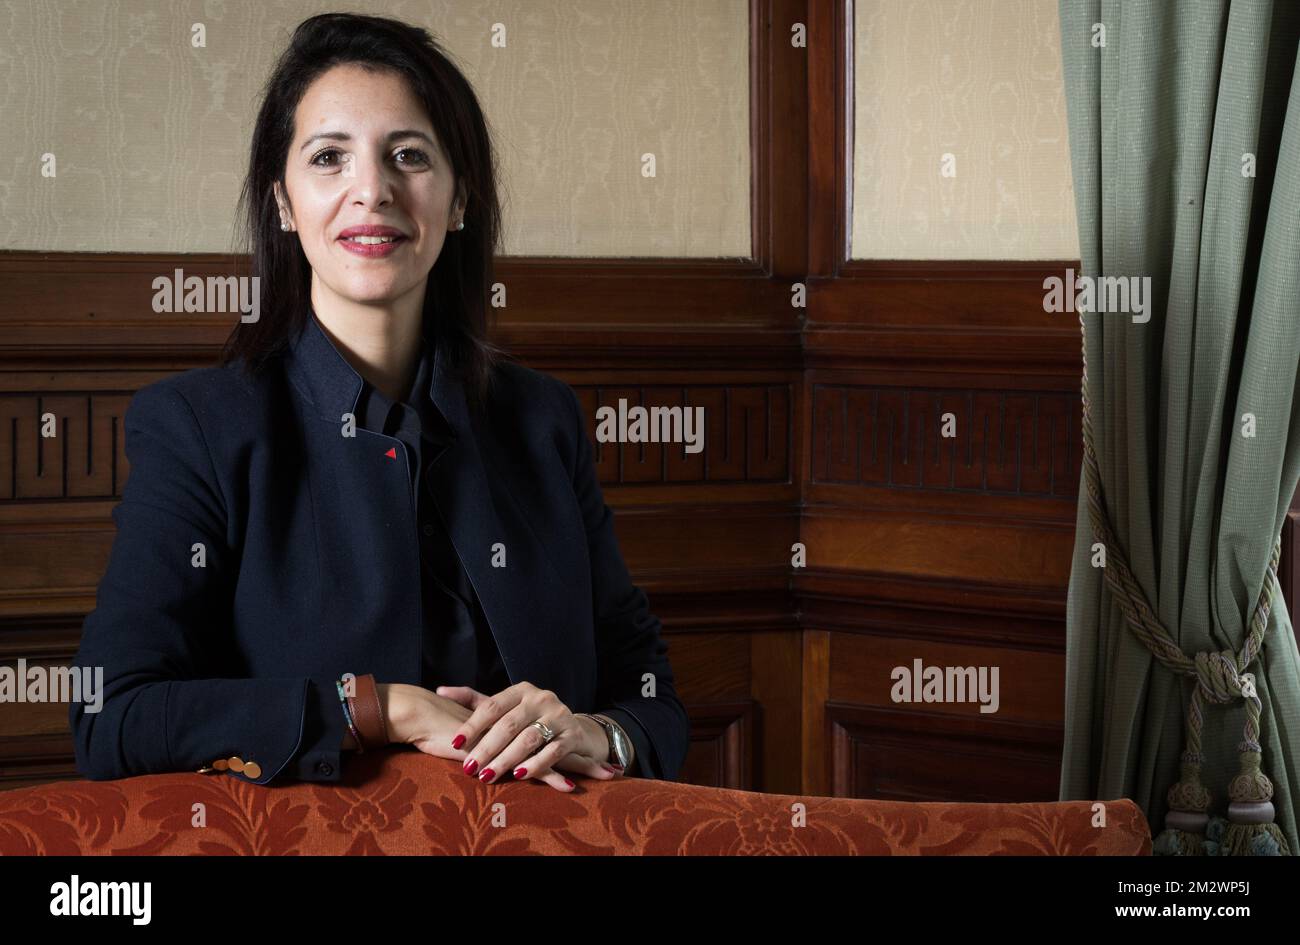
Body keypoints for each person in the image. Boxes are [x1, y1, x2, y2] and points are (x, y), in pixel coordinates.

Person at [68, 12, 689, 792]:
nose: (373, 189)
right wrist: (381, 707)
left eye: (409, 155)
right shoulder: (197, 428)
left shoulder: (544, 421)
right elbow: (111, 715)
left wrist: (599, 732)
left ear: (459, 198)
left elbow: (652, 692)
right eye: (329, 157)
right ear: (284, 204)